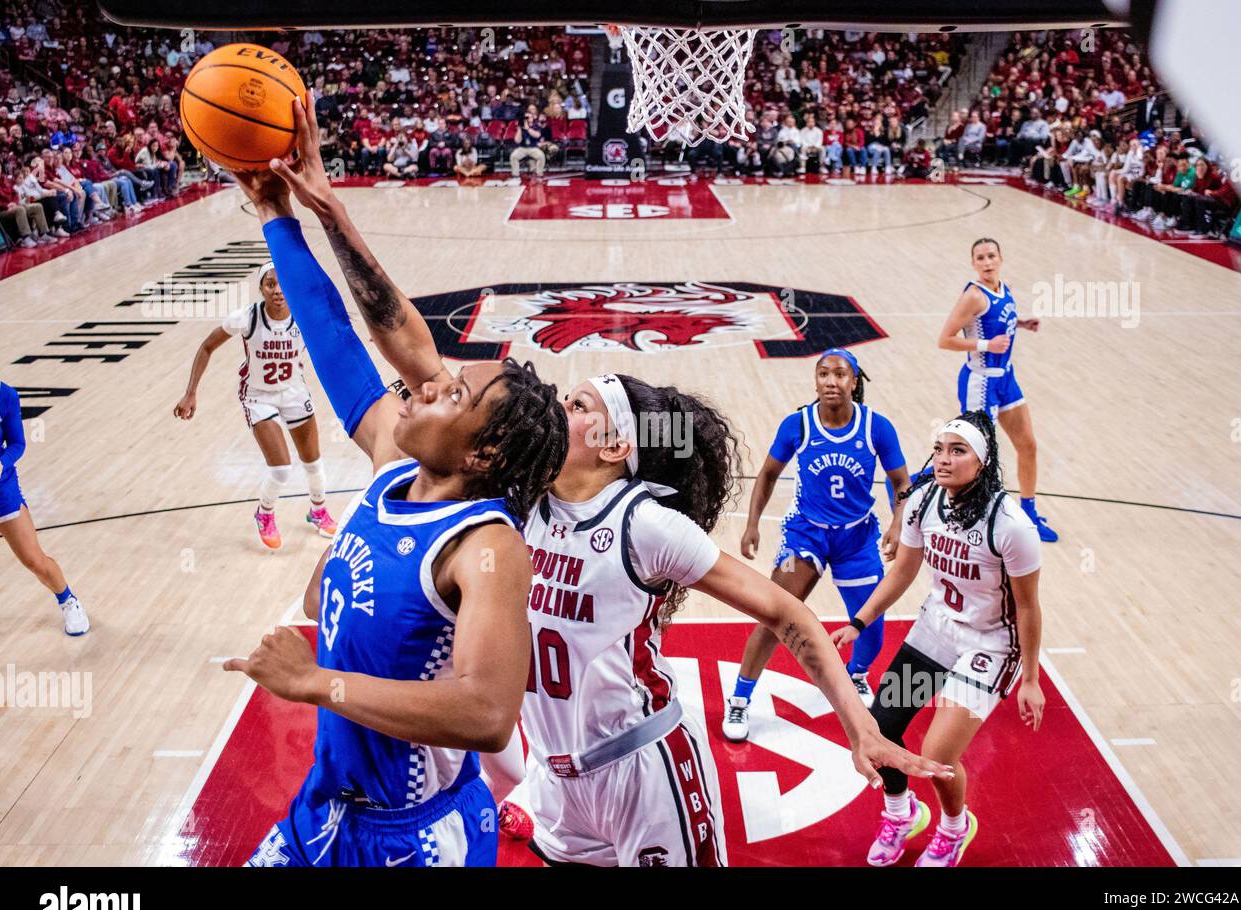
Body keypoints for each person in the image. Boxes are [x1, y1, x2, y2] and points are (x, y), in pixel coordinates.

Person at [261, 92, 952, 867]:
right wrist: (322, 213)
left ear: (617, 443)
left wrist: (859, 722)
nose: (559, 404)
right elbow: (408, 350)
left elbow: (786, 610)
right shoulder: (509, 501)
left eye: (579, 403)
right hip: (557, 784)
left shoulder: (643, 525)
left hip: (642, 768)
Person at [225, 166, 570, 868]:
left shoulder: (486, 547)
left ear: (485, 452)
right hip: (324, 806)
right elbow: (333, 334)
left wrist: (316, 683)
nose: (429, 384)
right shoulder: (393, 468)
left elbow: (486, 712)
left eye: (454, 393)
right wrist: (279, 212)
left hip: (415, 836)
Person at [837, 412, 1043, 866]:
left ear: (982, 461)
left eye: (958, 450)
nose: (943, 459)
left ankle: (954, 827)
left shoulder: (1010, 526)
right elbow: (905, 570)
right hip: (936, 630)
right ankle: (901, 812)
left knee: (937, 751)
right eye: (939, 449)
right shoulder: (924, 501)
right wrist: (860, 621)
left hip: (989, 645)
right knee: (881, 728)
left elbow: (1028, 607)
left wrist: (1030, 679)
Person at [724, 349, 911, 743]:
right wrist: (752, 524)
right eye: (823, 373)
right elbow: (768, 474)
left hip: (857, 537)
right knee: (774, 614)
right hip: (806, 534)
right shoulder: (798, 425)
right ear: (815, 381)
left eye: (840, 374)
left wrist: (898, 522)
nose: (831, 381)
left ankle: (856, 675)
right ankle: (740, 698)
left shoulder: (878, 427)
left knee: (871, 630)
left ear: (854, 381)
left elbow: (901, 484)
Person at [173, 263, 338, 549]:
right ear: (261, 288)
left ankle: (318, 511)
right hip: (258, 396)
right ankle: (264, 514)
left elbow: (337, 333)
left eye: (282, 283)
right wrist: (190, 393)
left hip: (294, 392)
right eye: (270, 284)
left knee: (314, 463)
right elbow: (207, 346)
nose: (277, 290)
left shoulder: (304, 317)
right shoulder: (247, 318)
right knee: (282, 469)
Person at [938, 238, 1057, 542]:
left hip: (1006, 378)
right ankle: (914, 486)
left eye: (991, 256)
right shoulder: (973, 296)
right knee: (974, 456)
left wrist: (1021, 324)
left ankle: (1029, 512)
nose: (987, 262)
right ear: (973, 263)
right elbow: (945, 339)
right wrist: (985, 346)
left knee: (1027, 445)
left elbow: (997, 320)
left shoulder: (1004, 288)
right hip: (980, 381)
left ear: (1001, 258)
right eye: (981, 258)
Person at [0, 375, 89, 635]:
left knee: (33, 559)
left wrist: (2, 463)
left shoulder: (3, 395)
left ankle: (68, 601)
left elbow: (17, 443)